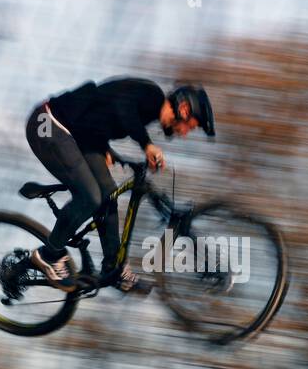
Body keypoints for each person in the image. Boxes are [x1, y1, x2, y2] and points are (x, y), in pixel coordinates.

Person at [23, 78, 215, 291]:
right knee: (89, 197)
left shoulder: (147, 113)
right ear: (184, 109)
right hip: (47, 122)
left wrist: (106, 150)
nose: (186, 133)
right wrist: (147, 145)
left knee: (108, 195)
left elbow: (98, 113)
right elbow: (123, 108)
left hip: (77, 135)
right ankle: (48, 255)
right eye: (190, 127)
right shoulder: (152, 95)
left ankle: (113, 268)